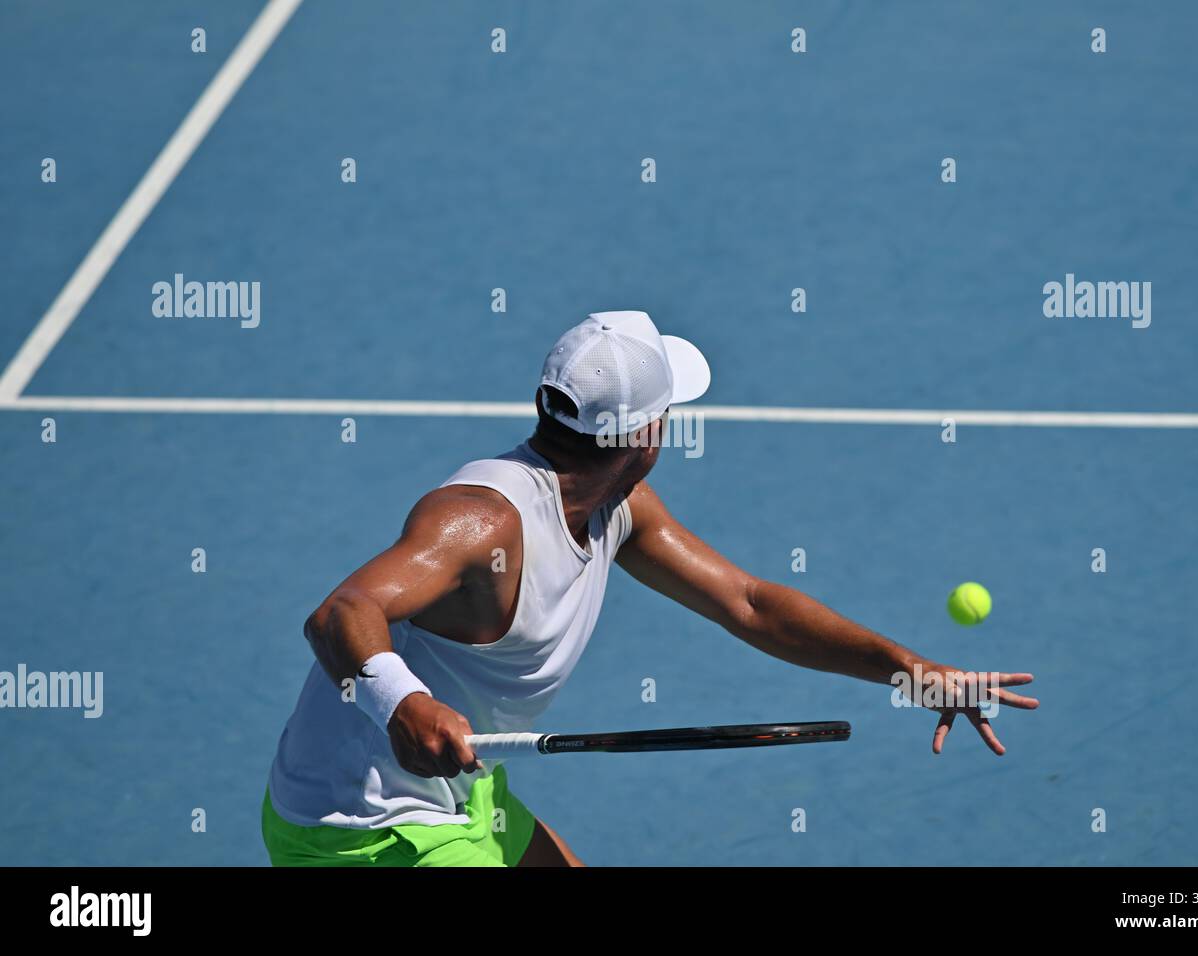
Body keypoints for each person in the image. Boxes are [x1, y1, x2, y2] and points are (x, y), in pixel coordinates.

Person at [262, 310, 1039, 866]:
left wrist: (911, 670)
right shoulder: (480, 521)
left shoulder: (620, 508)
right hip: (363, 828)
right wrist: (404, 702)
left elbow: (750, 604)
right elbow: (342, 612)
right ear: (645, 437)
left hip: (456, 795)